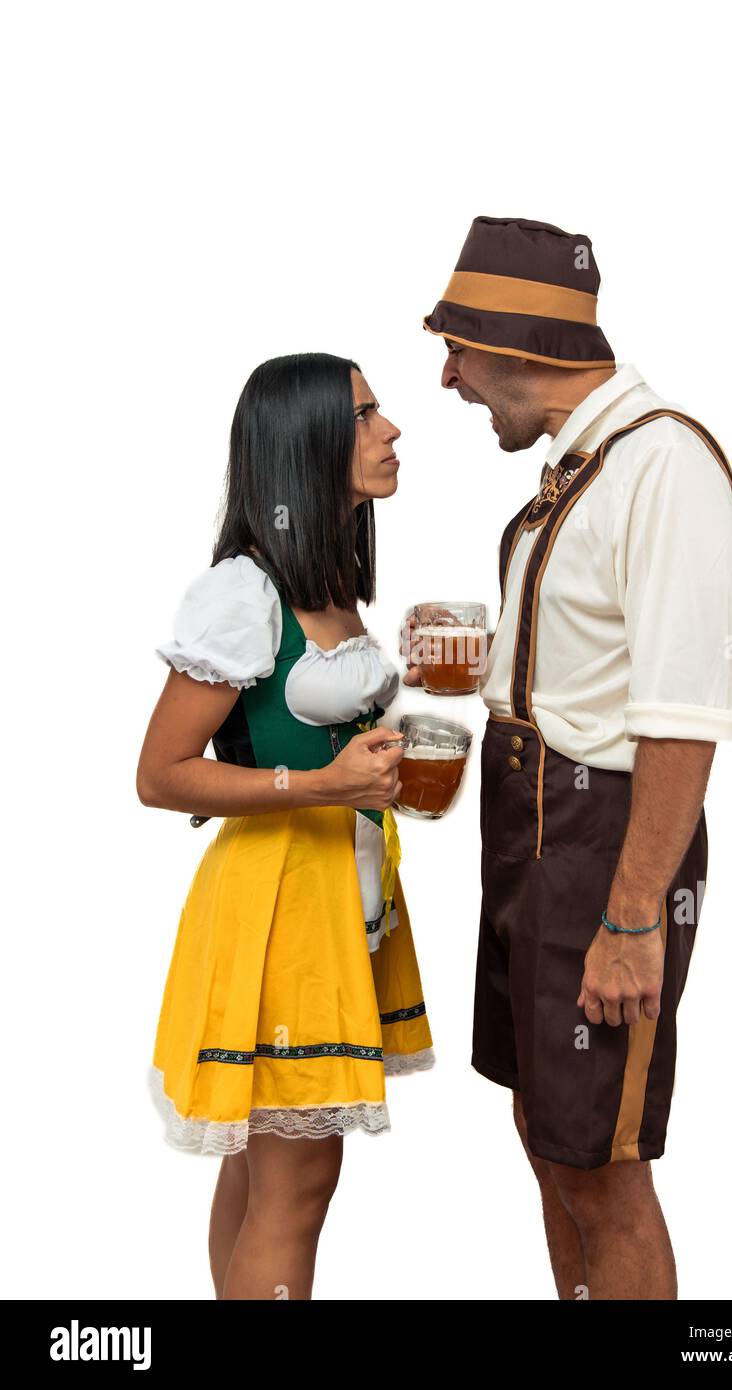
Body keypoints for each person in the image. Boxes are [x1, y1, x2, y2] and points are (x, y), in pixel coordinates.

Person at [418, 216, 732, 1300]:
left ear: (524, 345)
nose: (449, 377)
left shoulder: (662, 463)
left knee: (599, 1163)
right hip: (531, 830)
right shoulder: (585, 465)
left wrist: (631, 914)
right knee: (545, 1129)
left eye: (459, 348)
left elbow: (679, 716)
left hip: (599, 846)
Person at [137, 353, 434, 1301]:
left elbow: (331, 738)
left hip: (339, 899)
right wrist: (320, 785)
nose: (390, 431)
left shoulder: (328, 585)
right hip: (275, 906)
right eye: (365, 415)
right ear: (304, 442)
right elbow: (161, 776)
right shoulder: (246, 592)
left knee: (261, 1169)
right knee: (297, 1180)